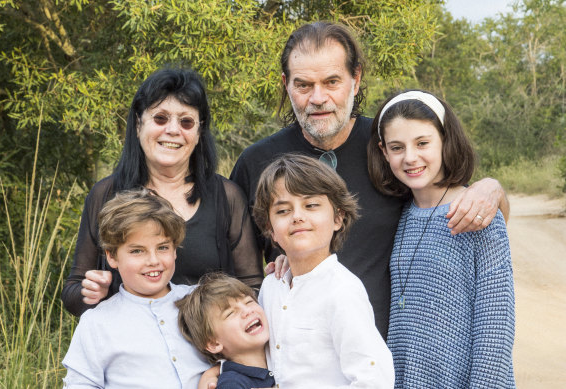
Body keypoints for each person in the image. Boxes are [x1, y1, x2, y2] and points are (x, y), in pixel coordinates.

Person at [230, 21, 509, 339]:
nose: (318, 98)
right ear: (286, 84)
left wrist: (491, 188)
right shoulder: (256, 163)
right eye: (304, 85)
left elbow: (457, 199)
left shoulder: (390, 150)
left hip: (387, 358)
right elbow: (241, 275)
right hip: (296, 358)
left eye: (332, 81)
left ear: (356, 79)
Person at [62, 67, 263, 316]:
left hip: (207, 350)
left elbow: (252, 287)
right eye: (160, 118)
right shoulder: (105, 195)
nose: (173, 130)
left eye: (186, 121)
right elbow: (73, 290)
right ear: (138, 124)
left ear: (199, 132)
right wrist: (91, 293)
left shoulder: (228, 197)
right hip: (131, 346)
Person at [368, 90, 515, 387]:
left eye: (423, 143)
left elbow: (495, 327)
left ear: (446, 139)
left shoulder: (476, 215)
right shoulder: (401, 213)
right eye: (397, 147)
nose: (410, 158)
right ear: (384, 152)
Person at [251, 154, 394, 387]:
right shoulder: (271, 287)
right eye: (283, 211)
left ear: (338, 218)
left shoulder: (342, 291)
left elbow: (374, 379)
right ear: (271, 229)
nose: (297, 217)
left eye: (311, 205)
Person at [62, 188, 210, 388]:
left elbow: (237, 351)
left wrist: (216, 372)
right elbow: (80, 384)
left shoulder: (200, 301)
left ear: (175, 249)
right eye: (137, 251)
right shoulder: (97, 322)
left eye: (163, 247)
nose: (153, 260)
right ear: (112, 257)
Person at [176, 273, 275, 389]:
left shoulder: (279, 357)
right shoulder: (231, 383)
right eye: (230, 313)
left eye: (249, 302)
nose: (247, 311)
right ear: (214, 343)